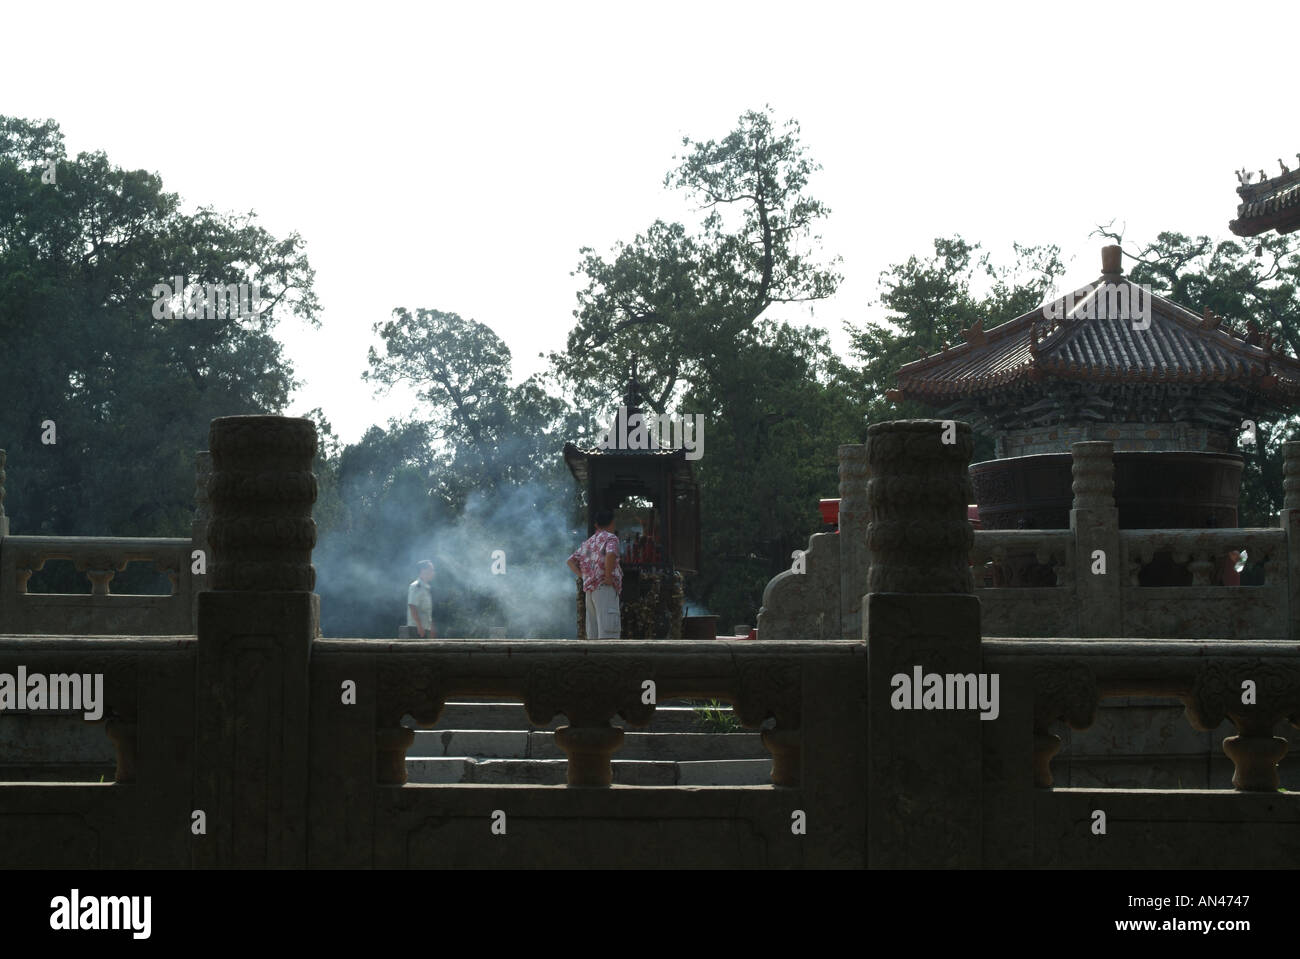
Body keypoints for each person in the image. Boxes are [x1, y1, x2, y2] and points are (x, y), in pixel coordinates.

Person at [567, 509, 622, 639]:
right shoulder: (611, 538)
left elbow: (570, 561)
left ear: (596, 525)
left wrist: (584, 577)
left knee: (593, 634)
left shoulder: (589, 542)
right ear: (612, 523)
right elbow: (610, 554)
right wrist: (608, 577)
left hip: (590, 592)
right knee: (608, 634)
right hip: (604, 589)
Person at [406, 560, 436, 638]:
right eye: (431, 570)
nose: (433, 572)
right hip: (416, 629)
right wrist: (419, 626)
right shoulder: (416, 586)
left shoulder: (426, 588)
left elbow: (427, 611)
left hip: (425, 628)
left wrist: (431, 627)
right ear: (423, 570)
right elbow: (412, 607)